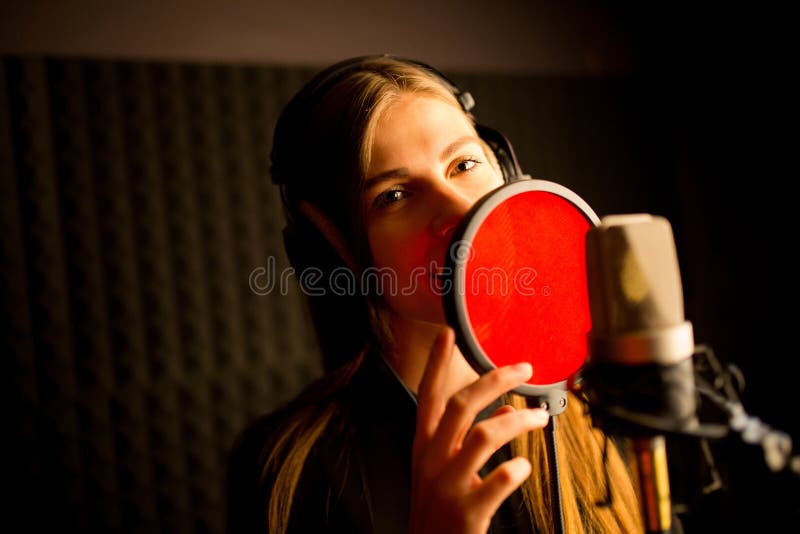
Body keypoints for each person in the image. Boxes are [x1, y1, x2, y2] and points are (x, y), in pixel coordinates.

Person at [226, 54, 643, 533]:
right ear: (331, 249)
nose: (460, 210)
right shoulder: (287, 471)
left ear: (506, 173)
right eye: (395, 195)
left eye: (464, 164)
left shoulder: (605, 401)